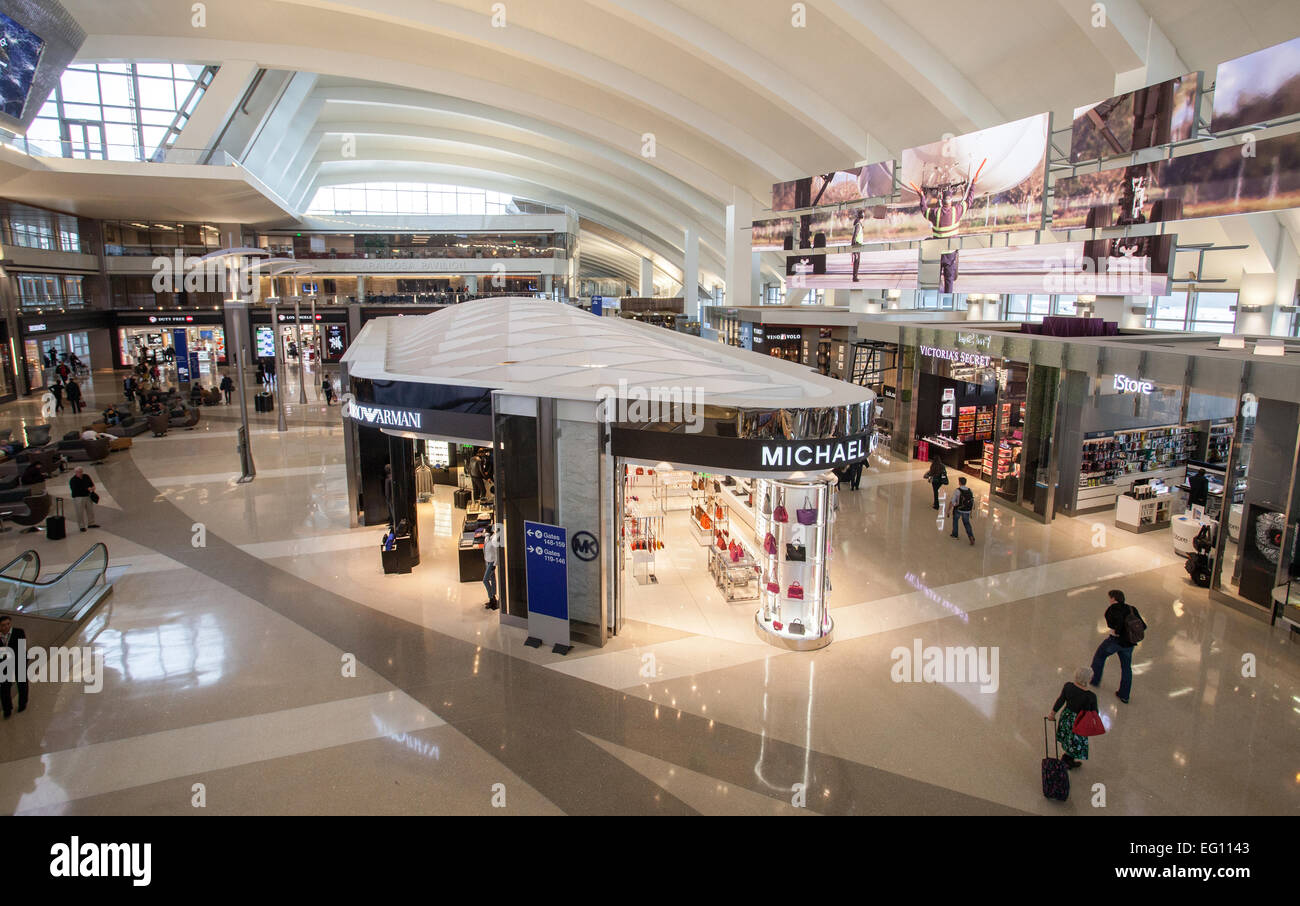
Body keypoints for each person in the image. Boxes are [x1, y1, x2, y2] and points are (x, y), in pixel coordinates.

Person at [1090, 589, 1144, 704]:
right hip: (1129, 643)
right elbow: (1142, 625)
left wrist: (1118, 630)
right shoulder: (1132, 608)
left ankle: (1095, 679)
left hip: (1115, 641)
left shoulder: (1112, 609)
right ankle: (1124, 695)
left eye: (1110, 597)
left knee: (1099, 656)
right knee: (1126, 668)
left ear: (1113, 598)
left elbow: (1111, 625)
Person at [1047, 667, 1100, 769]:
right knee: (1076, 741)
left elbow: (1060, 700)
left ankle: (1067, 757)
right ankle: (1068, 760)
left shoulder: (1068, 686)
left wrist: (1052, 713)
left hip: (1067, 717)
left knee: (1067, 736)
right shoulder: (1090, 696)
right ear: (1088, 679)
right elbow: (1095, 713)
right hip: (1079, 721)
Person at [0, 616, 28, 718]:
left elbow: (21, 648)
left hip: (19, 662)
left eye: (8, 624)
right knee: (4, 688)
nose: (6, 627)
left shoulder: (18, 632)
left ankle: (22, 704)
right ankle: (7, 709)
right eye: (3, 625)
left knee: (22, 684)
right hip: (4, 666)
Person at [69, 467, 99, 532]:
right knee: (80, 512)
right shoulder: (73, 480)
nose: (80, 473)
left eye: (81, 471)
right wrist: (86, 489)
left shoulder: (86, 476)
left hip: (87, 496)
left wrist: (93, 487)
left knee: (90, 510)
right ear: (76, 472)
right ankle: (81, 526)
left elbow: (91, 483)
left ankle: (91, 523)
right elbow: (75, 490)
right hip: (79, 497)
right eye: (79, 472)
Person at [949, 476, 975, 545]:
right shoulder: (970, 490)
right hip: (967, 510)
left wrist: (948, 510)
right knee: (967, 523)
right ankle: (971, 536)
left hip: (959, 509)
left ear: (959, 482)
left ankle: (955, 534)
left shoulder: (957, 490)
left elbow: (952, 501)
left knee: (955, 520)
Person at [482, 524, 500, 611]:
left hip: (492, 562)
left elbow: (497, 553)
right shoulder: (487, 538)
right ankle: (493, 598)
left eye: (485, 530)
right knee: (492, 579)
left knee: (485, 580)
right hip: (487, 560)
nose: (484, 532)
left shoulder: (494, 539)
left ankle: (491, 597)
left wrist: (494, 564)